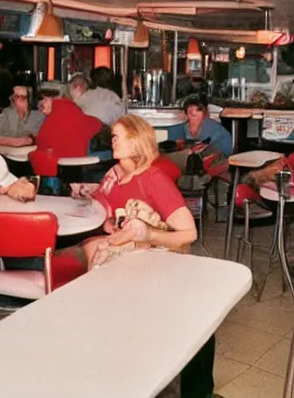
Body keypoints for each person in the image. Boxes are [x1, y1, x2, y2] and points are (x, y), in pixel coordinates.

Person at [70, 114, 206, 396]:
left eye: (118, 136)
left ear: (137, 142)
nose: (112, 141)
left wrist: (149, 234)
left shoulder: (153, 179)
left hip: (157, 262)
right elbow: (104, 206)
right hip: (126, 262)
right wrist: (97, 207)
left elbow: (188, 233)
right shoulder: (115, 174)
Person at [34, 88, 104, 158]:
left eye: (42, 106)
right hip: (80, 158)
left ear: (48, 99)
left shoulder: (60, 110)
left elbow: (42, 141)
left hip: (67, 160)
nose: (42, 111)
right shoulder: (70, 108)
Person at [167, 95, 233, 157]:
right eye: (191, 110)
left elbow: (225, 153)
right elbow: (174, 149)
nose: (193, 112)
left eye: (198, 110)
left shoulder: (215, 130)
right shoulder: (176, 125)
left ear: (206, 114)